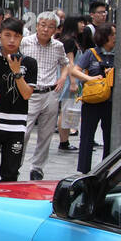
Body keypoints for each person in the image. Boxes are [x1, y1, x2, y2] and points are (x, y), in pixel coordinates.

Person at [20, 11, 69, 181]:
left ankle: (37, 168)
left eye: (50, 27)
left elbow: (65, 64)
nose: (46, 30)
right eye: (43, 25)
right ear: (37, 25)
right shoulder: (25, 43)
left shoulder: (58, 46)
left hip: (50, 93)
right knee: (24, 131)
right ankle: (16, 164)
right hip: (31, 93)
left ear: (56, 29)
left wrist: (62, 78)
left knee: (46, 133)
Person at [0, 18, 35, 183]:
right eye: (8, 35)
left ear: (22, 37)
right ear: (0, 36)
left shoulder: (29, 63)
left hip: (16, 125)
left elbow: (27, 94)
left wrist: (17, 72)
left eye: (16, 36)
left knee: (10, 173)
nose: (12, 40)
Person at [69, 24, 116, 174]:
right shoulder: (91, 53)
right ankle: (84, 170)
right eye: (113, 34)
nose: (116, 37)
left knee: (110, 136)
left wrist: (114, 74)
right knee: (87, 136)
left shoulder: (118, 54)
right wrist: (90, 78)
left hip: (111, 102)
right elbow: (75, 71)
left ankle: (107, 168)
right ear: (105, 36)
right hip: (92, 100)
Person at [56, 15, 82, 151]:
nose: (83, 25)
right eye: (80, 22)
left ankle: (64, 140)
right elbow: (70, 63)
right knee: (66, 110)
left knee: (66, 110)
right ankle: (64, 141)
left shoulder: (69, 40)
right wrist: (73, 82)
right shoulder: (70, 42)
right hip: (69, 80)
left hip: (69, 79)